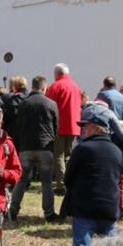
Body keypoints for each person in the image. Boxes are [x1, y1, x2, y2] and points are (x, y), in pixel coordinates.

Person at [61, 106, 123, 246]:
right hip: (109, 208)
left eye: (85, 127)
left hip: (85, 207)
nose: (83, 130)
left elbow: (67, 178)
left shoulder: (83, 149)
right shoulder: (116, 150)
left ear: (96, 128)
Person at [9, 76, 59, 222]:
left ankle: (13, 210)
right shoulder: (51, 104)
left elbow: (18, 125)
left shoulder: (23, 104)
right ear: (44, 88)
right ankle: (49, 213)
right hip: (45, 147)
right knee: (47, 182)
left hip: (26, 146)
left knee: (21, 180)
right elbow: (56, 127)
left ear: (32, 86)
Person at [46, 63, 82, 191]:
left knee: (58, 155)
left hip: (60, 125)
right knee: (68, 155)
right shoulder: (75, 86)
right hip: (74, 126)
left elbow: (48, 105)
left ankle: (62, 185)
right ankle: (71, 181)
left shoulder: (56, 85)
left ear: (57, 73)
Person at [2, 76, 28, 141]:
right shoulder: (30, 98)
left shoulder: (7, 98)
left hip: (10, 133)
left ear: (15, 86)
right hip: (25, 135)